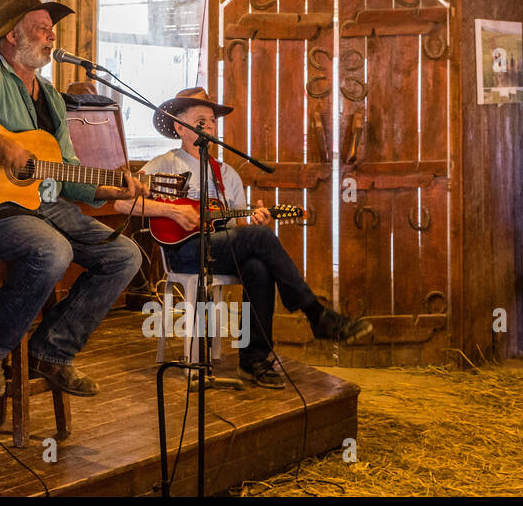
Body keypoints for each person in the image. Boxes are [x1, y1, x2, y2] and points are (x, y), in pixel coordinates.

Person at [0, 0, 146, 399]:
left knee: (125, 255)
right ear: (12, 36)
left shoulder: (49, 97)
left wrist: (112, 185)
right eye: (41, 28)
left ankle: (53, 351)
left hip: (42, 205)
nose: (51, 37)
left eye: (51, 30)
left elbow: (65, 172)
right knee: (52, 251)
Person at [140, 87, 374, 388]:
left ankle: (253, 361)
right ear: (179, 127)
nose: (208, 126)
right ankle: (316, 314)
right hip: (183, 250)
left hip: (220, 247)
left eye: (211, 120)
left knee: (258, 267)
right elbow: (123, 202)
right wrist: (173, 213)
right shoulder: (163, 164)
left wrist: (252, 221)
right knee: (260, 239)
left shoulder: (225, 174)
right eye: (200, 120)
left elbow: (236, 228)